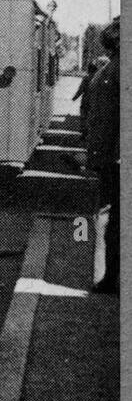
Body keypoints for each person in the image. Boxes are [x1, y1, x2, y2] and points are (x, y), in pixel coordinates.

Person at [87, 17, 119, 294]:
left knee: (105, 217)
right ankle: (106, 277)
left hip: (108, 157)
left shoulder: (107, 72)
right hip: (115, 158)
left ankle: (104, 276)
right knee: (108, 218)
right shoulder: (117, 71)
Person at [73, 55, 109, 139]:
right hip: (97, 103)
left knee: (84, 117)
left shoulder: (87, 78)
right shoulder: (103, 77)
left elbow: (81, 89)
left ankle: (84, 133)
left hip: (86, 101)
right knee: (93, 118)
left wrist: (75, 97)